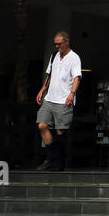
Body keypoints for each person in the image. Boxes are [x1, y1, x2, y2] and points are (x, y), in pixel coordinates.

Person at [34, 31, 81, 171]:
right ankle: (52, 157)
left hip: (63, 99)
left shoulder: (74, 58)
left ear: (66, 42)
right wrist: (42, 90)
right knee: (42, 125)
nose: (57, 46)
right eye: (55, 44)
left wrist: (72, 94)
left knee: (61, 131)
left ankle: (58, 162)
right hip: (50, 98)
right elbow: (49, 75)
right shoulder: (54, 55)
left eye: (59, 44)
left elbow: (77, 77)